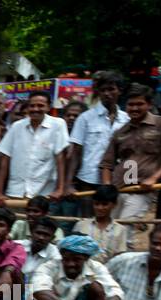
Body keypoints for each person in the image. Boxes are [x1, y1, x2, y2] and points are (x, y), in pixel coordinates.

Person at [99, 84, 161, 251]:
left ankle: (122, 268)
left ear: (149, 104)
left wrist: (154, 178)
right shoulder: (121, 131)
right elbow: (106, 163)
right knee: (109, 229)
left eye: (139, 104)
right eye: (131, 105)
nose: (134, 108)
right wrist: (106, 188)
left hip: (141, 190)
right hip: (118, 189)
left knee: (124, 229)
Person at [66, 72, 128, 215]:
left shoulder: (127, 119)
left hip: (118, 181)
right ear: (98, 92)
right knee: (88, 221)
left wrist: (132, 178)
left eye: (111, 89)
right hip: (88, 179)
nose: (107, 93)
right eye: (103, 90)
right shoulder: (85, 118)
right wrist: (68, 184)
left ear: (119, 90)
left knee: (114, 221)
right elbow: (76, 152)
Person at [74, 185, 129, 264]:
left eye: (104, 204)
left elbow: (120, 257)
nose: (100, 208)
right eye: (96, 204)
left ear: (114, 204)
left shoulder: (120, 230)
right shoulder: (81, 226)